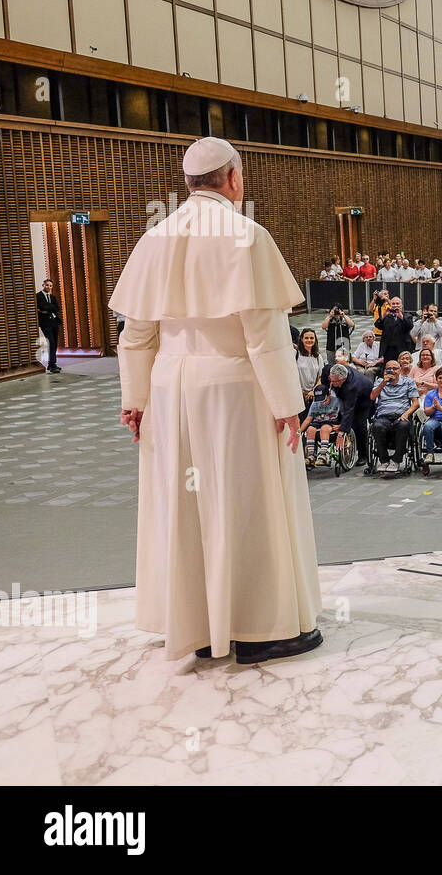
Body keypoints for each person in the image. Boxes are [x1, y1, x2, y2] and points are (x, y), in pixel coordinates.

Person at [109, 136, 321, 664]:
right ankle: (258, 628)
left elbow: (136, 335)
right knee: (246, 505)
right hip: (234, 389)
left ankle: (200, 628)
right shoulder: (247, 237)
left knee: (186, 506)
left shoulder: (154, 239)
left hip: (167, 386)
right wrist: (287, 406)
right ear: (232, 179)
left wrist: (134, 400)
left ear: (189, 184)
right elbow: (264, 336)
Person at [369, 358, 420, 476]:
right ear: (384, 371)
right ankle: (384, 460)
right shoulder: (380, 381)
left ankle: (396, 460)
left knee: (404, 425)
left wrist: (406, 414)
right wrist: (383, 383)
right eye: (388, 369)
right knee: (376, 426)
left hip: (401, 415)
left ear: (400, 370)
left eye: (395, 368)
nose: (392, 371)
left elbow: (416, 403)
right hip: (384, 415)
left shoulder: (408, 381)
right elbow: (372, 397)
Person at [328, 362, 373, 467]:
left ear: (342, 379)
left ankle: (363, 455)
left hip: (364, 399)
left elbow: (349, 410)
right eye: (331, 380)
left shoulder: (351, 387)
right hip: (344, 394)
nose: (332, 383)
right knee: (338, 418)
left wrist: (342, 431)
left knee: (359, 425)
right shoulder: (332, 370)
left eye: (335, 381)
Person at [299, 380, 342, 468]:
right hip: (318, 421)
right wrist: (299, 432)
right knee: (310, 429)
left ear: (329, 395)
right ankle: (311, 456)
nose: (322, 402)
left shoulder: (337, 401)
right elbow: (308, 419)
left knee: (324, 428)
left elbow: (345, 415)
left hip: (331, 421)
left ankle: (323, 455)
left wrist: (342, 426)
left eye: (324, 399)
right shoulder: (315, 403)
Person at [37, 278, 64, 374]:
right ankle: (52, 364)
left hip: (54, 322)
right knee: (51, 342)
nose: (49, 287)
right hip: (45, 323)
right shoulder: (38, 296)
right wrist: (49, 308)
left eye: (51, 286)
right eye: (47, 285)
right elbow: (41, 306)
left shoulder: (53, 297)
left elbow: (57, 308)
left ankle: (52, 364)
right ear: (43, 285)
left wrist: (47, 308)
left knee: (55, 343)